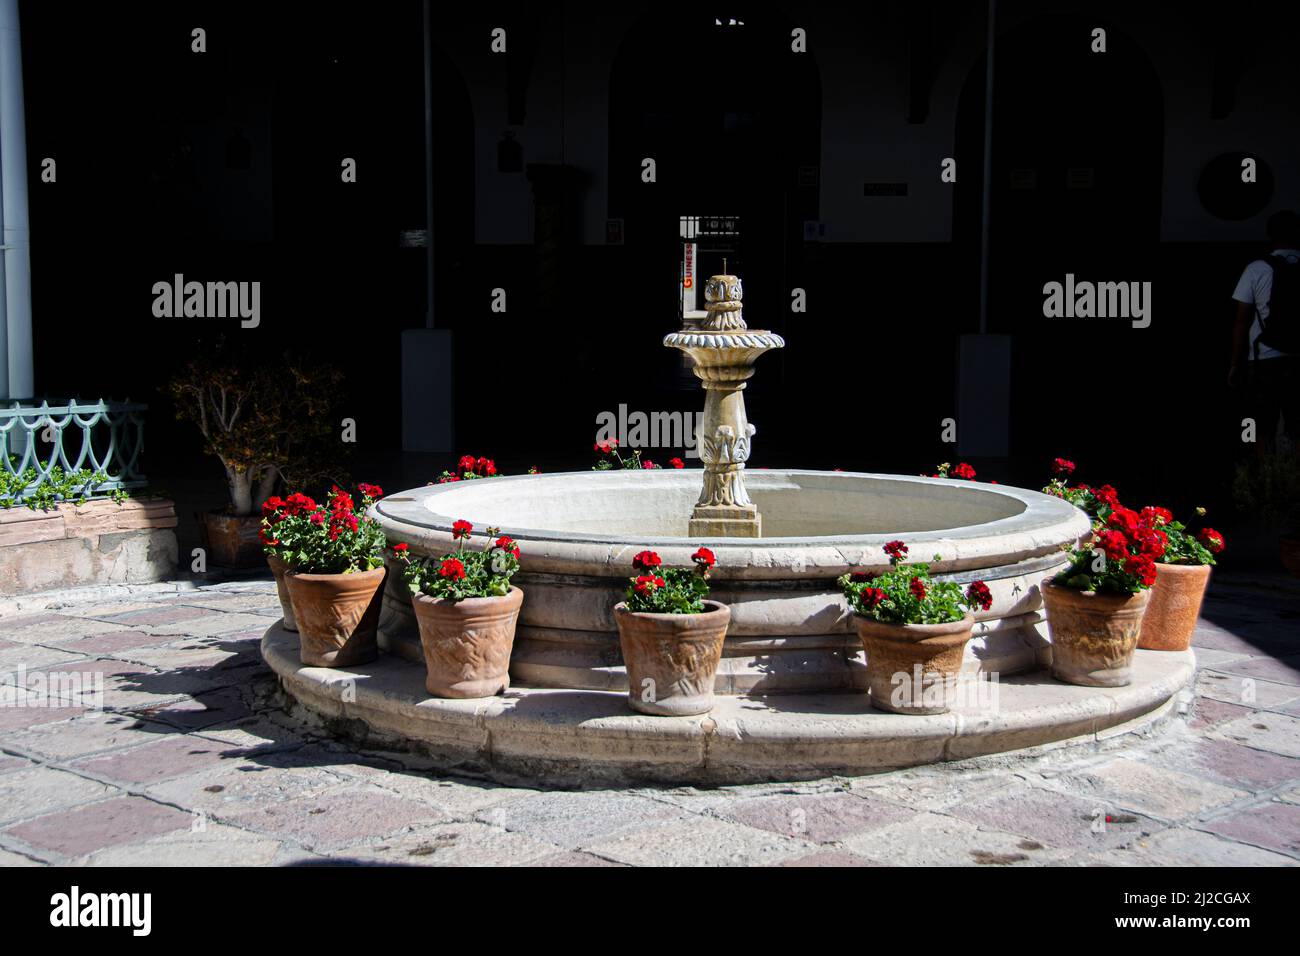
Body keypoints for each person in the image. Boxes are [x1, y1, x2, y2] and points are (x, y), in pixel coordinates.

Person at [1230, 210, 1300, 452]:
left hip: (1265, 359)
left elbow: (1241, 322)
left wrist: (1235, 364)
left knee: (1263, 426)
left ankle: (1265, 481)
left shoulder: (1257, 269)